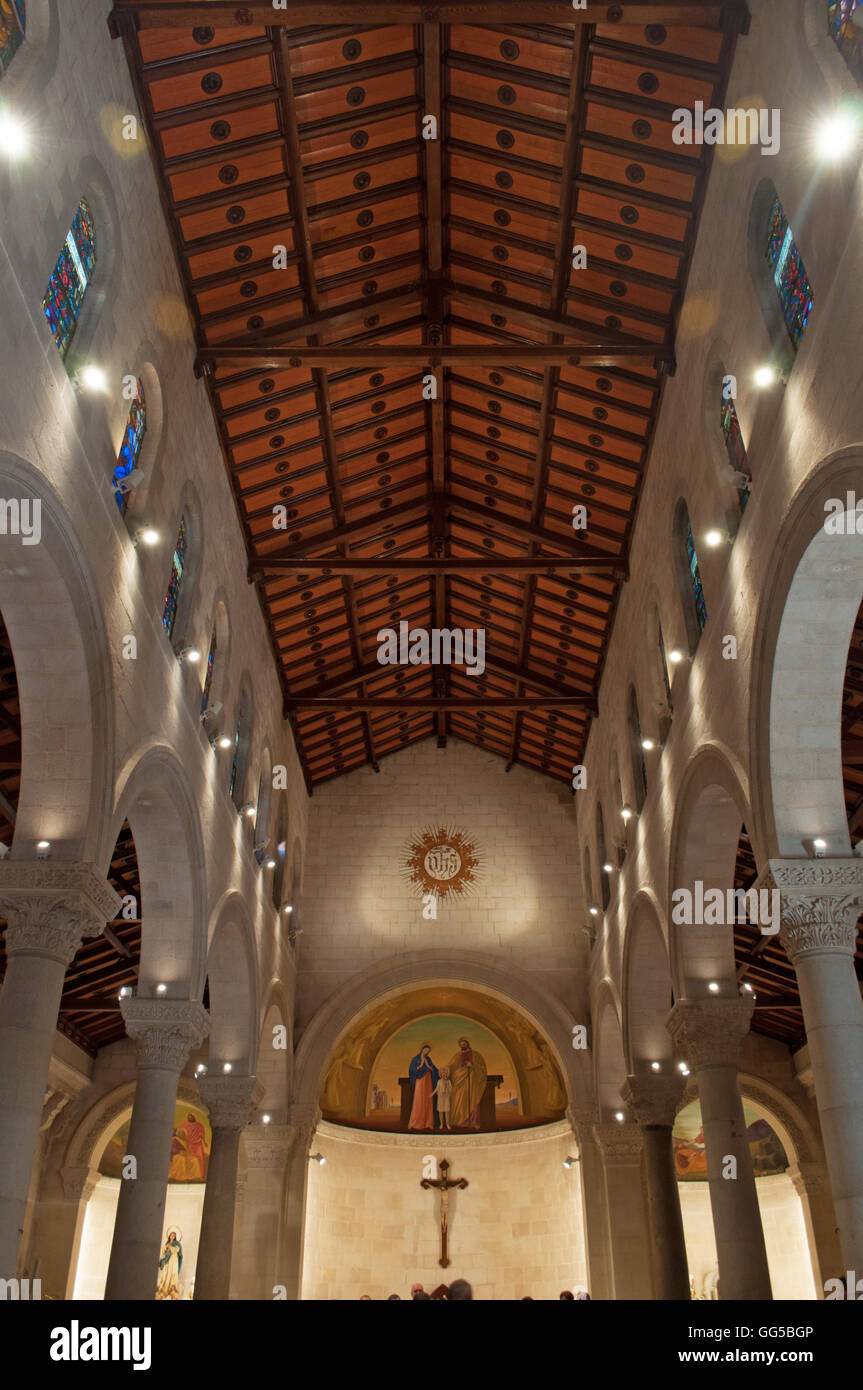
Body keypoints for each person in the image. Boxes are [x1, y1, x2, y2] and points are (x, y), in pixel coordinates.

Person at [447, 1038, 487, 1129]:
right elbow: (451, 1066)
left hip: (471, 1079)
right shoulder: (457, 1055)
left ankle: (473, 1122)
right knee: (458, 1099)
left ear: (467, 1044)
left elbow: (482, 1067)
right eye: (461, 1044)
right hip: (459, 1079)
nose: (462, 1045)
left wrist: (472, 1066)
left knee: (472, 1098)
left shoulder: (475, 1055)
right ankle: (460, 1121)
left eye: (464, 1043)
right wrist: (444, 1071)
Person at [407, 1043, 439, 1130]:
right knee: (419, 1100)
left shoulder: (428, 1059)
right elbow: (412, 1070)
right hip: (420, 1081)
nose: (426, 1052)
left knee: (428, 1100)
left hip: (428, 1081)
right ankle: (415, 1122)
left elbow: (433, 1069)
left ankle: (428, 1123)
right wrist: (420, 1066)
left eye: (428, 1051)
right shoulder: (415, 1059)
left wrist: (430, 1067)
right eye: (425, 1050)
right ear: (422, 1049)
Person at [155, 1228, 183, 1300]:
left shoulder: (177, 1243)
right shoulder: (167, 1243)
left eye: (174, 1235)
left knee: (172, 1273)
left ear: (175, 1237)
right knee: (166, 1273)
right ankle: (164, 1288)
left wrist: (169, 1247)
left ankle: (172, 1288)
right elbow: (163, 1252)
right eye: (171, 1235)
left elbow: (176, 1250)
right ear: (169, 1236)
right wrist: (166, 1248)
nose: (172, 1236)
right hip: (167, 1261)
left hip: (173, 1260)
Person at [432, 1066, 452, 1130]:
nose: (444, 1074)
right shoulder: (439, 1081)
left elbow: (451, 1090)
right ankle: (441, 1124)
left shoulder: (448, 1082)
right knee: (440, 1111)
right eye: (443, 1073)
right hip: (440, 1097)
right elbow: (437, 1089)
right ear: (441, 1074)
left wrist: (448, 1090)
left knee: (447, 1111)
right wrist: (432, 1094)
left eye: (445, 1073)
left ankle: (447, 1124)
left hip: (446, 1097)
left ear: (447, 1074)